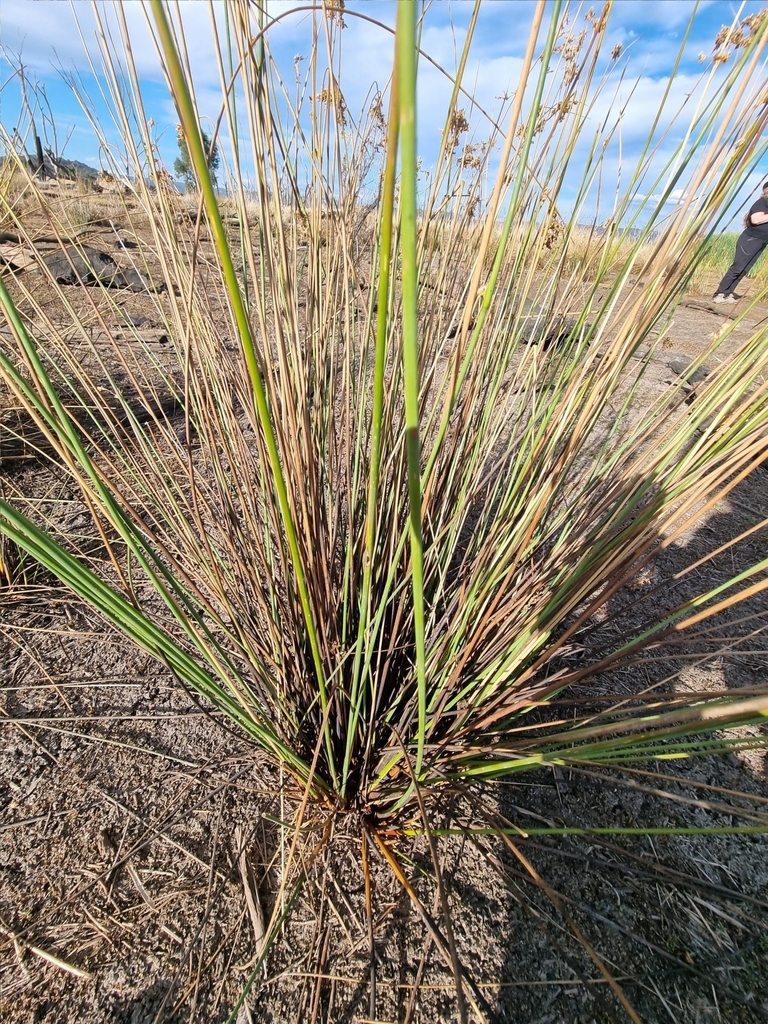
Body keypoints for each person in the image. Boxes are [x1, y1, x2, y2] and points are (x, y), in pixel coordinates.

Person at [713, 181, 768, 303]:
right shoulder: (762, 202)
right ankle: (719, 293)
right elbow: (756, 219)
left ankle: (728, 293)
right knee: (738, 267)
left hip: (762, 241)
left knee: (745, 269)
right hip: (751, 240)